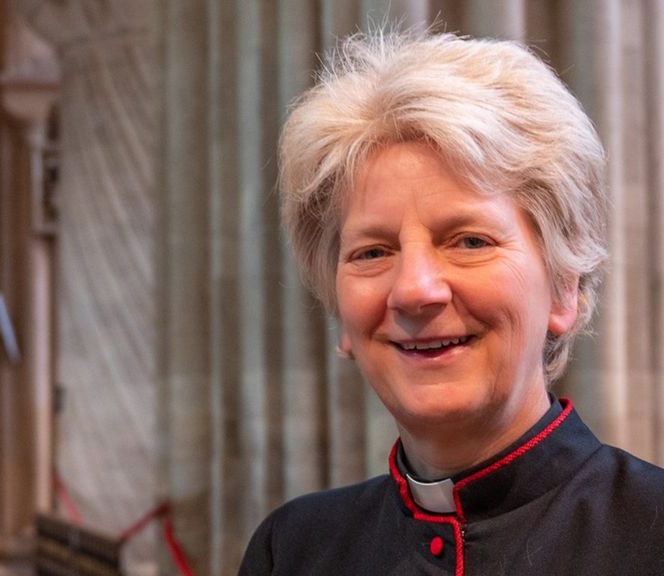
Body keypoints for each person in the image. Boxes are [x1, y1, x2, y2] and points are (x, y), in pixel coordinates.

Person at [238, 31, 664, 575]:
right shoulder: (292, 550)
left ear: (563, 286)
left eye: (469, 241)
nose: (414, 290)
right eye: (372, 252)